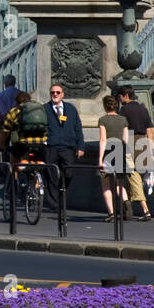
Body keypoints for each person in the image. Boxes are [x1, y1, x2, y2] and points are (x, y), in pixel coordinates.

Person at [44, 83, 85, 212]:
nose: (55, 95)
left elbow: (78, 128)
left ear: (62, 94)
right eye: (52, 93)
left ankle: (62, 191)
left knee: (68, 173)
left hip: (67, 147)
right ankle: (55, 204)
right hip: (51, 147)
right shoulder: (44, 109)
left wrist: (81, 147)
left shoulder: (70, 109)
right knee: (51, 176)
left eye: (57, 92)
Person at [117, 85, 154, 214]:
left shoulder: (124, 110)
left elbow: (123, 130)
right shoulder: (143, 109)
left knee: (133, 175)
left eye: (120, 97)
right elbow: (150, 131)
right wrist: (151, 151)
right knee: (138, 175)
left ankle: (145, 209)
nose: (120, 100)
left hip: (131, 142)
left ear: (126, 96)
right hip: (143, 142)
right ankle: (129, 202)